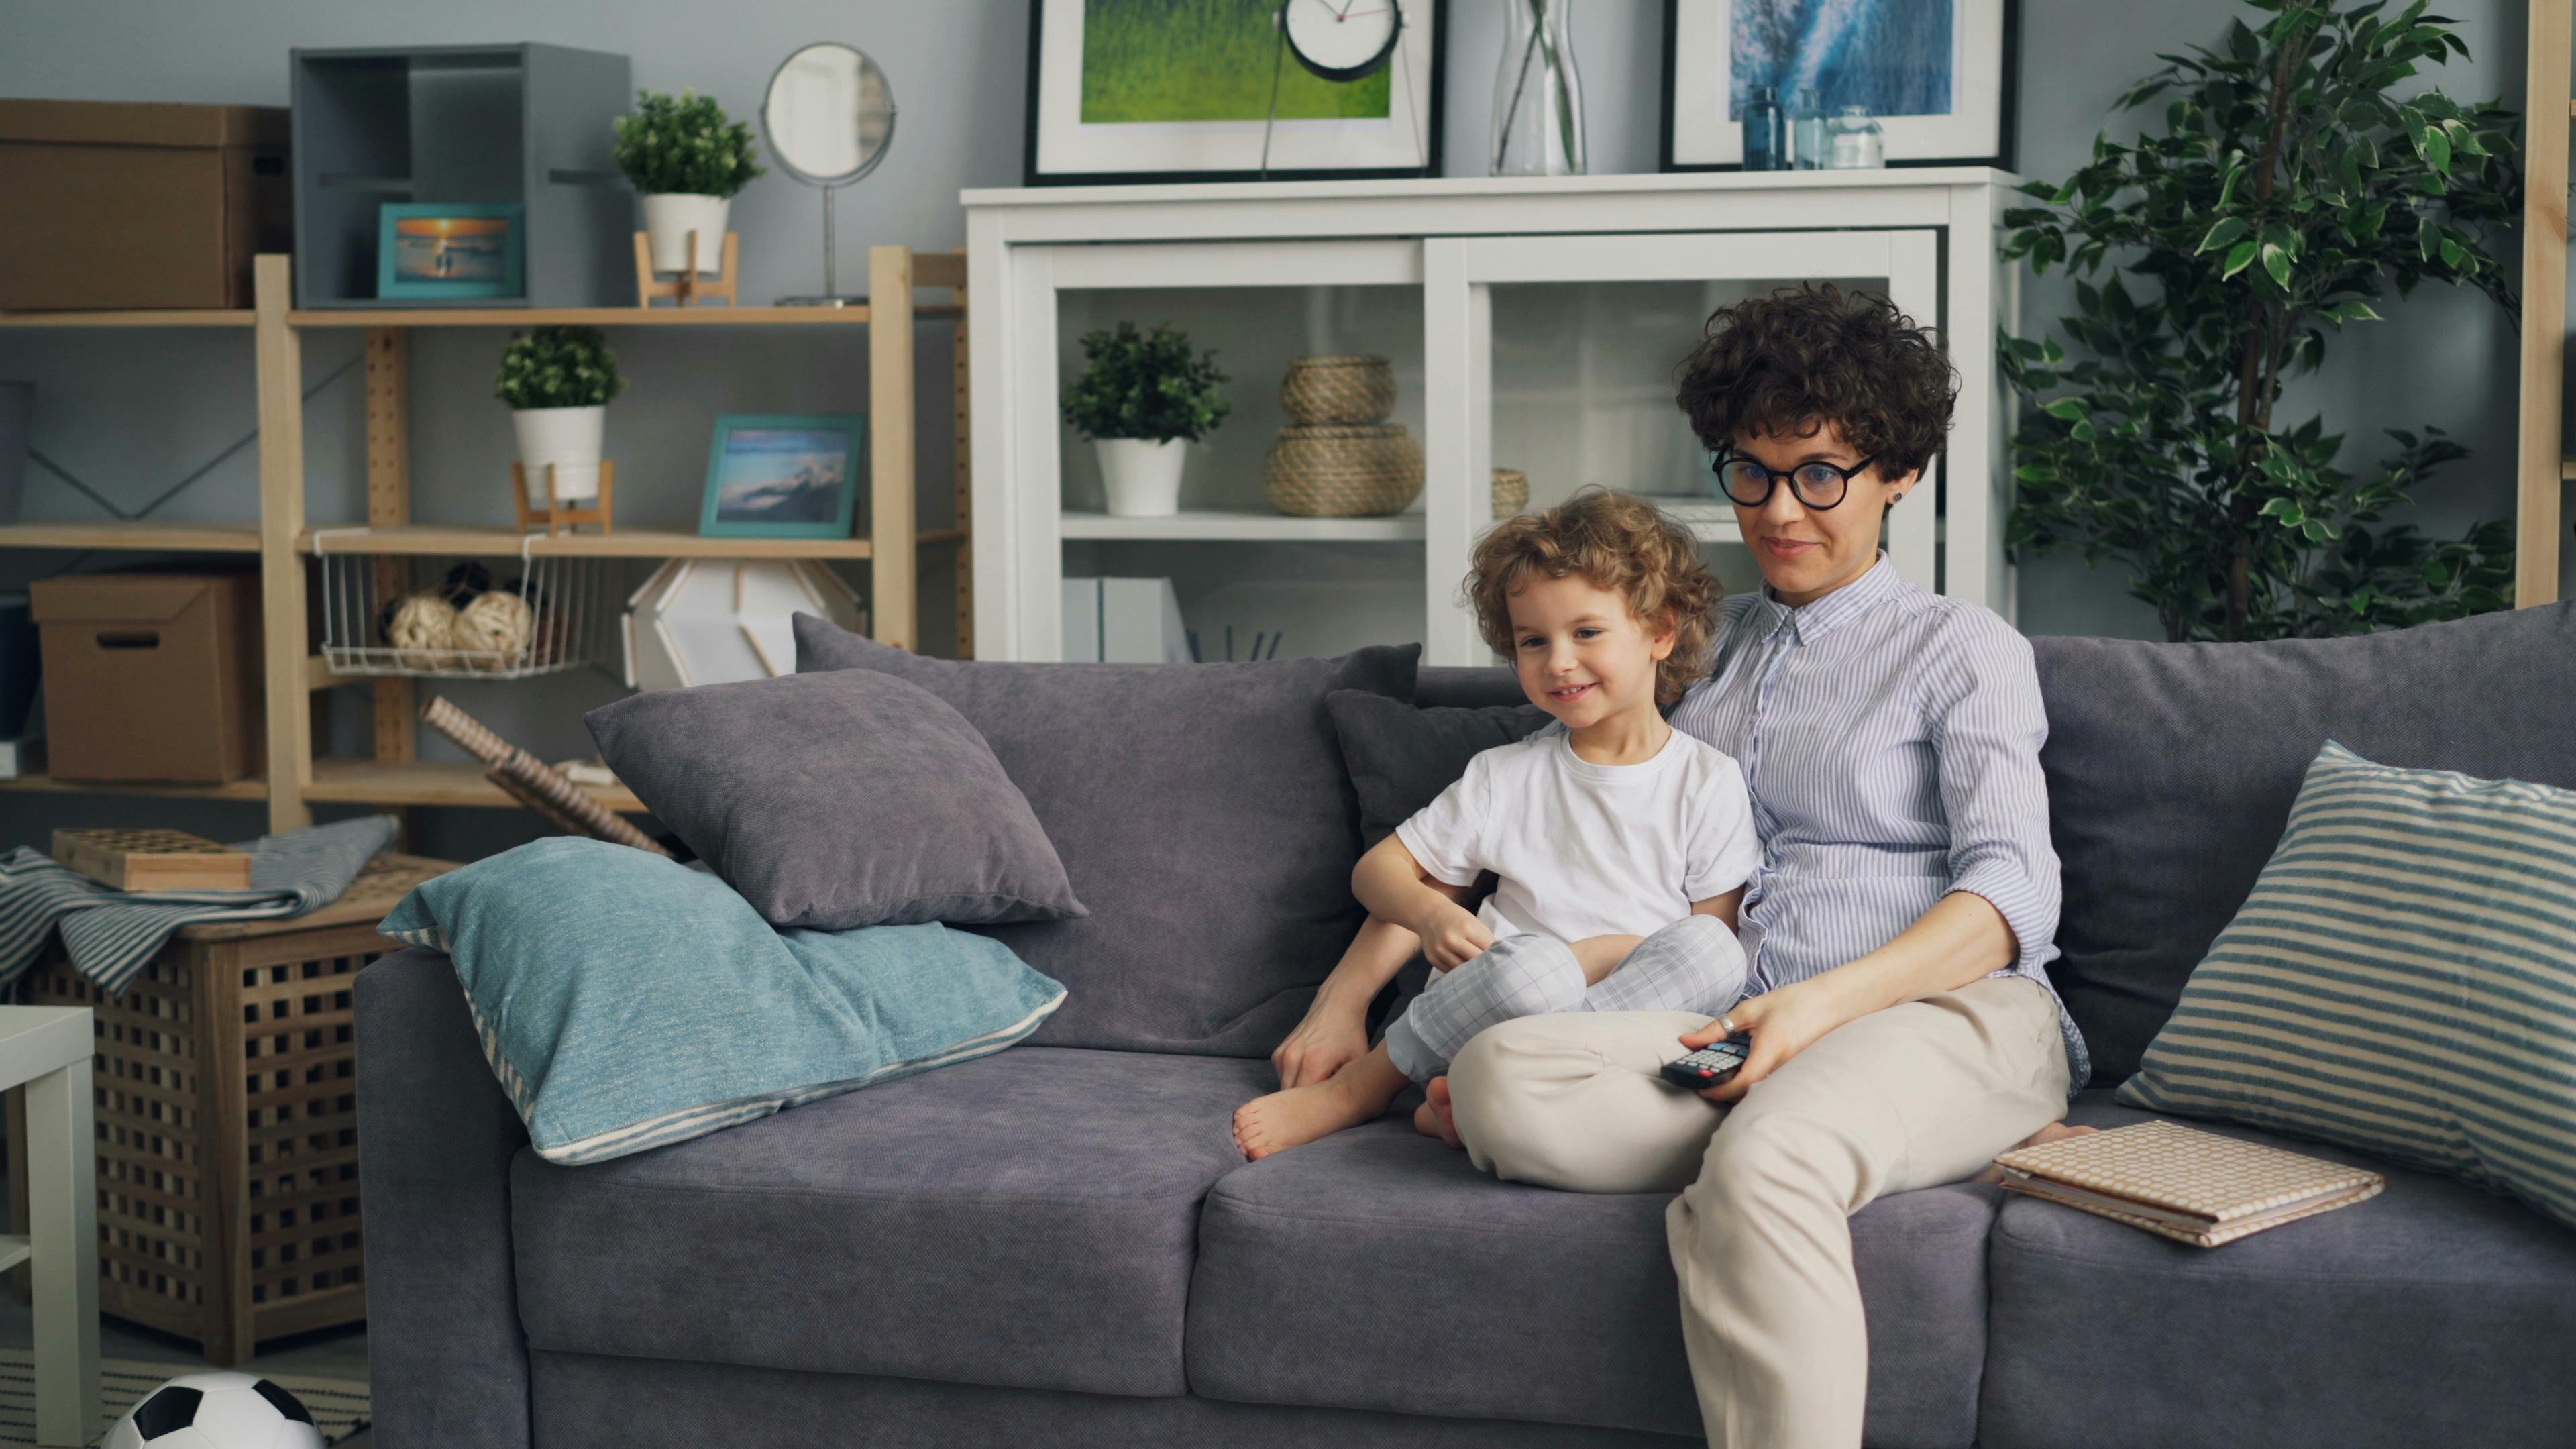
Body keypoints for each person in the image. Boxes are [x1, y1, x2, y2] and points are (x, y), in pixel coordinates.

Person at [1419, 284, 2094, 1449]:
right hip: (1726, 1027)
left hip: (1951, 1013)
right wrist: (1348, 1001)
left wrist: (1812, 1013)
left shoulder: (1961, 648)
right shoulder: (1688, 640)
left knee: (1769, 1160)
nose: (1780, 511)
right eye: (1753, 471)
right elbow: (1513, 805)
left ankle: (1828, 1144)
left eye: (1821, 473)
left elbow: (2012, 897)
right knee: (1497, 1077)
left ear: (1899, 473)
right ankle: (1877, 1142)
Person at [1232, 490, 1761, 1161]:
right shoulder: (1505, 776)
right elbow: (1378, 872)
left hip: (1621, 1023)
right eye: (1533, 641)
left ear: (1661, 631)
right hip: (1501, 1004)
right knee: (1535, 970)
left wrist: (1600, 957)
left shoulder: (1708, 779)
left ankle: (1480, 1099)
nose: (1558, 661)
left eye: (1586, 632)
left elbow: (1708, 940)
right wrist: (1429, 914)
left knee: (1715, 954)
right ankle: (1358, 1091)